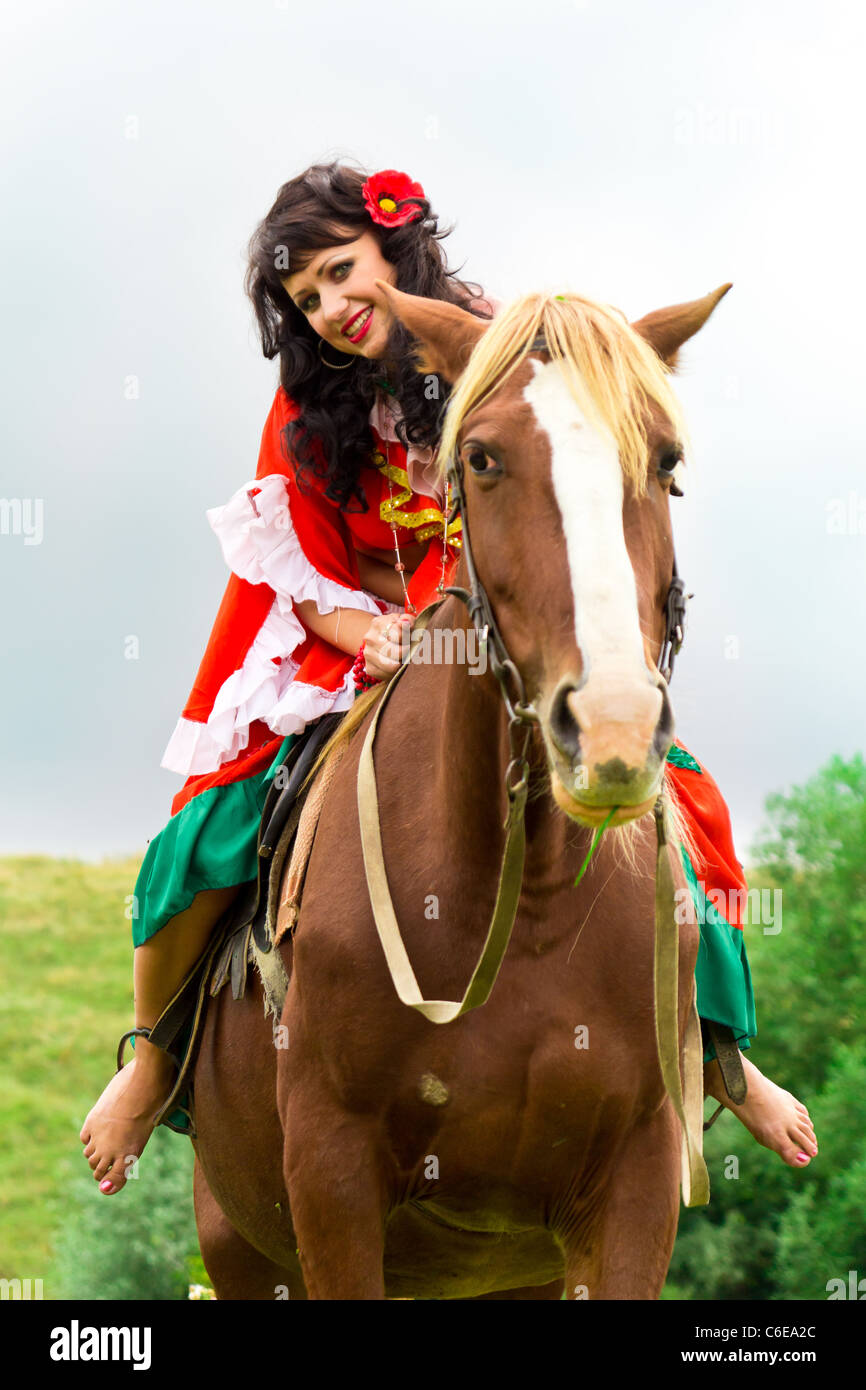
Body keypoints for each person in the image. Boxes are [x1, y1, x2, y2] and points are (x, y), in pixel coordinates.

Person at [80, 161, 817, 1195]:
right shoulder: (303, 407)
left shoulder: (500, 350)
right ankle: (153, 1060)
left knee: (684, 811)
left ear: (395, 248)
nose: (335, 305)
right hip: (356, 649)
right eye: (308, 297)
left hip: (495, 639)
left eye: (344, 270)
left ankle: (726, 1055)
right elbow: (289, 562)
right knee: (211, 828)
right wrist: (364, 636)